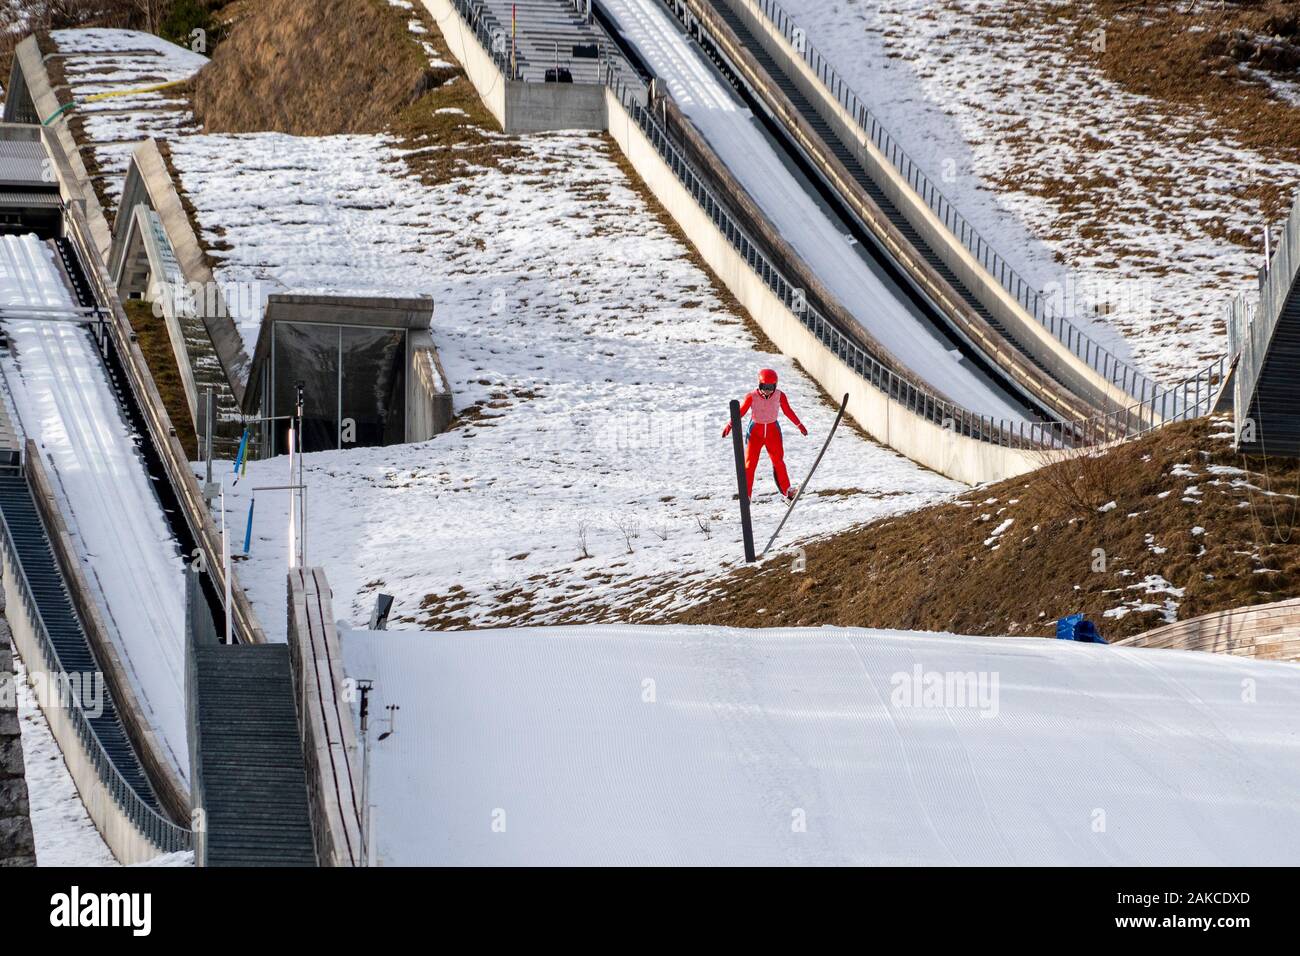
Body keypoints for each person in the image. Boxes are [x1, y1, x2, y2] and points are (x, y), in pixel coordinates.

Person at [722, 367, 806, 500]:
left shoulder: (779, 395)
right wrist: (730, 424)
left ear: (775, 385)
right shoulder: (752, 396)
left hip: (773, 432)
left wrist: (799, 425)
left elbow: (787, 411)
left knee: (778, 462)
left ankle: (787, 491)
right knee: (750, 464)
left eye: (770, 387)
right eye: (764, 386)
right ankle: (746, 494)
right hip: (755, 432)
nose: (767, 390)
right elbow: (741, 411)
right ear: (759, 384)